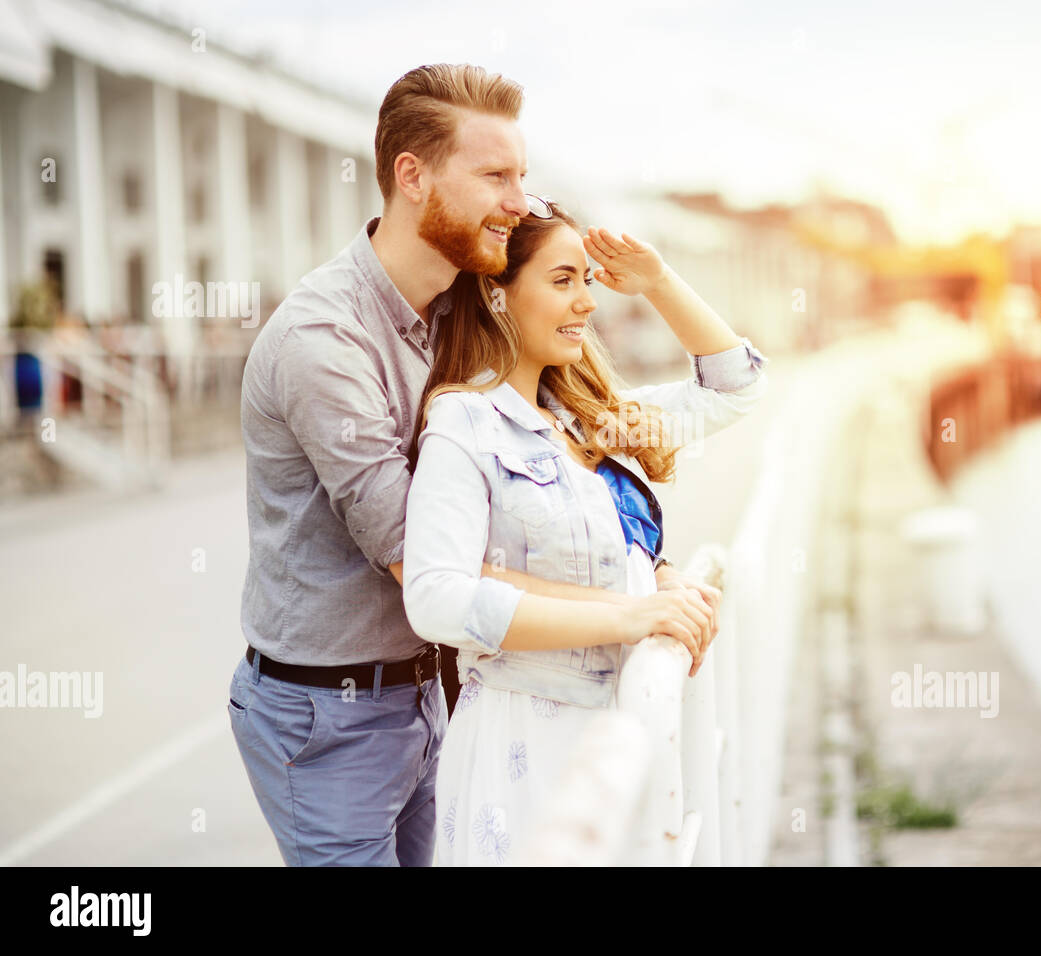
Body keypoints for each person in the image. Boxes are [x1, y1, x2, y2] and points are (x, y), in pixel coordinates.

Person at [229, 64, 699, 866]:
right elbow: (433, 570)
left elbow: (582, 452)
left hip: (428, 690)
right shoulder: (324, 343)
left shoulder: (463, 305)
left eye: (521, 173)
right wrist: (629, 608)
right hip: (326, 716)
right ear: (411, 177)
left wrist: (650, 569)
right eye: (495, 175)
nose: (520, 200)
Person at [401, 196, 768, 865]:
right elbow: (436, 598)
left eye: (587, 281)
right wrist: (632, 615)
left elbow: (735, 386)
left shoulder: (585, 418)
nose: (587, 304)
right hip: (525, 759)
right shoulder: (465, 424)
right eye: (563, 280)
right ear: (498, 294)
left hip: (626, 736)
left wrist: (658, 281)